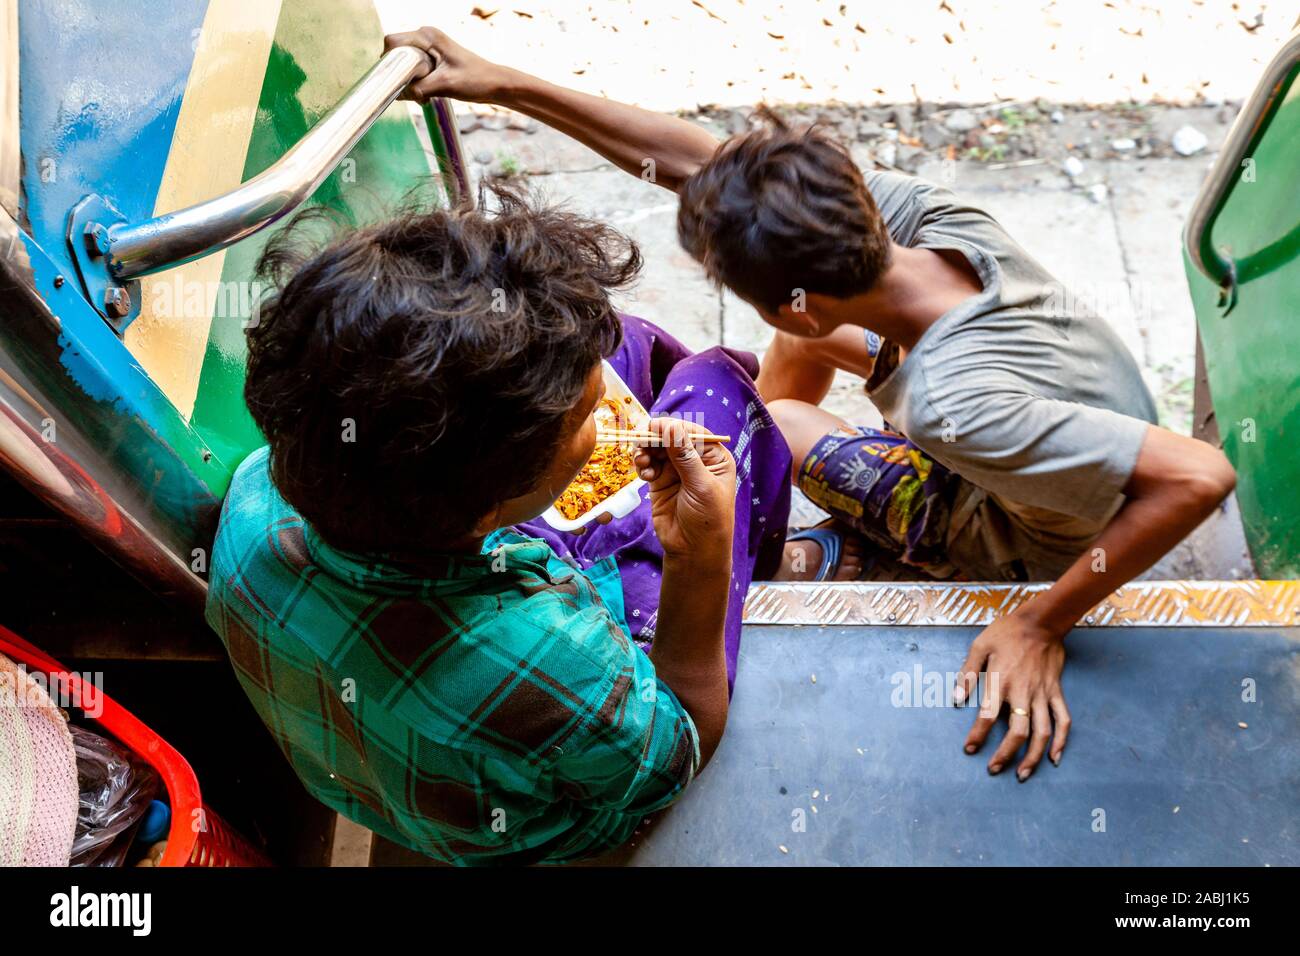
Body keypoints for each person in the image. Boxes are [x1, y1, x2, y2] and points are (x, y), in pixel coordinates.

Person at [386, 27, 1238, 782]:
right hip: (1073, 416)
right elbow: (702, 167)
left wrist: (1041, 623)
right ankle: (751, 502)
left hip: (1031, 534)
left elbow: (1197, 480)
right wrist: (500, 81)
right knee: (798, 363)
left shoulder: (954, 406)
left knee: (784, 421)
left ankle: (753, 535)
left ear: (792, 298)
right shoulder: (921, 219)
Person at [205, 188, 791, 864]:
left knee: (625, 343)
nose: (608, 418)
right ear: (497, 509)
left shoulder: (259, 490)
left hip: (386, 759)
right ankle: (764, 538)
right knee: (712, 385)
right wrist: (704, 556)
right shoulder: (562, 665)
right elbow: (684, 744)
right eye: (588, 420)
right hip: (553, 827)